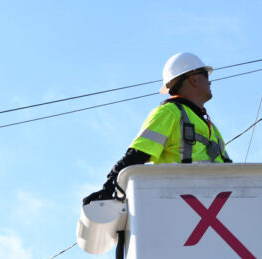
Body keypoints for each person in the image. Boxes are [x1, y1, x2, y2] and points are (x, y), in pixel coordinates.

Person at [83, 52, 231, 204]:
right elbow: (137, 154)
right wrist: (109, 188)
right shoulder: (170, 113)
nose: (210, 82)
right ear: (193, 80)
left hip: (216, 202)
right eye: (206, 75)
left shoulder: (211, 127)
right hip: (182, 201)